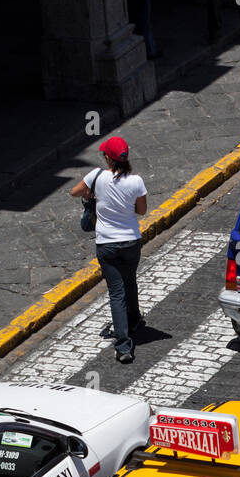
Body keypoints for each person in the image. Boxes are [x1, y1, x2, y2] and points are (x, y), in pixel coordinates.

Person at [71, 137, 148, 364]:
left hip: (107, 244)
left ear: (107, 157)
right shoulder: (136, 181)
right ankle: (133, 319)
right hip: (131, 242)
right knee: (129, 280)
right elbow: (141, 211)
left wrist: (90, 194)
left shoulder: (96, 176)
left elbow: (74, 192)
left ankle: (123, 345)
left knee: (116, 292)